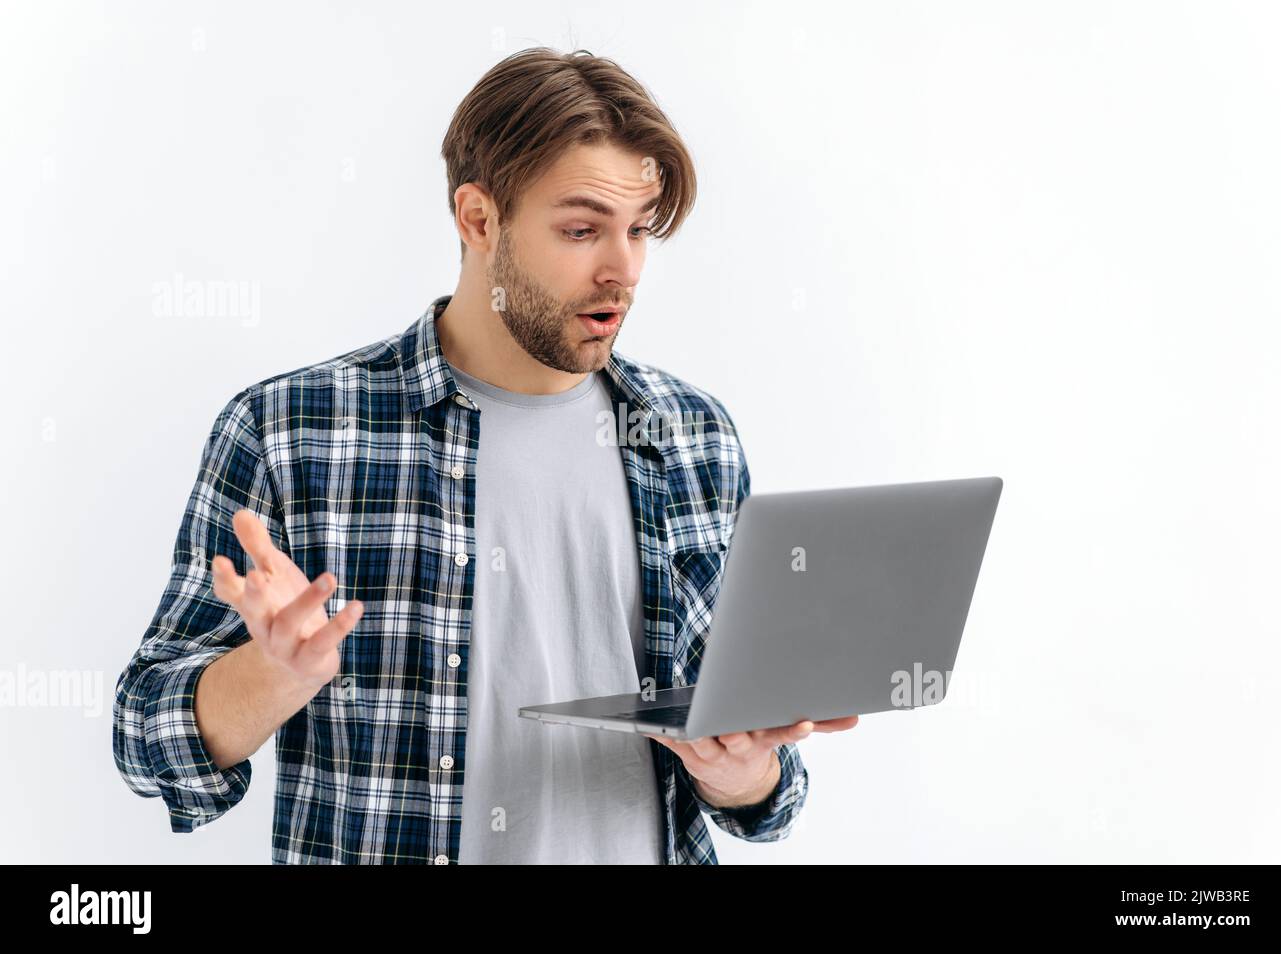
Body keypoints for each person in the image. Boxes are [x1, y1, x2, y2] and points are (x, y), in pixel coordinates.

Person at [112, 46, 856, 864]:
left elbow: (761, 793)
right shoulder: (292, 430)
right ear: (478, 219)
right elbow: (143, 738)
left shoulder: (693, 436)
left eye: (639, 230)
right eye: (581, 230)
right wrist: (277, 673)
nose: (624, 270)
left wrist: (743, 771)